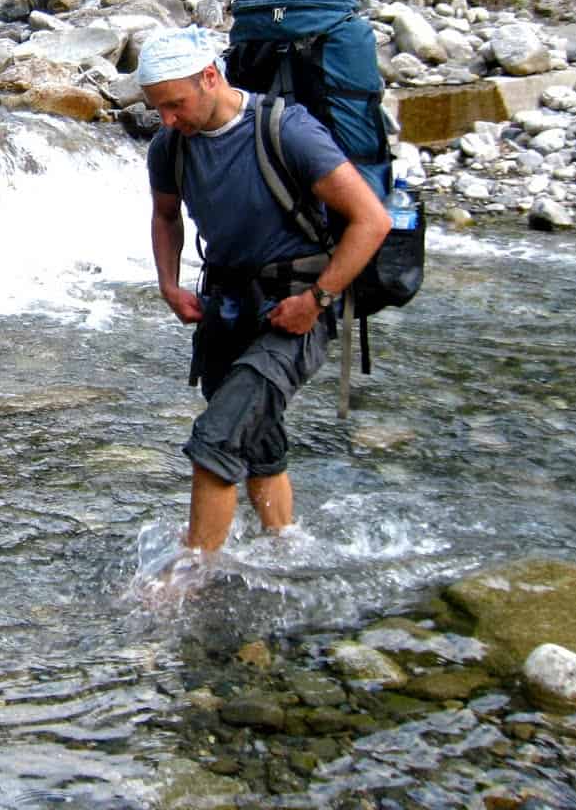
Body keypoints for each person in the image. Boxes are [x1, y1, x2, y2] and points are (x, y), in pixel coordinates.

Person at [140, 27, 390, 555]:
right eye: (156, 108)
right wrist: (168, 283)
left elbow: (372, 220)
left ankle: (189, 586)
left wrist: (317, 301)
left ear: (210, 77)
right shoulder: (169, 147)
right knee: (255, 437)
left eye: (174, 104)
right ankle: (285, 549)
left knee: (217, 440)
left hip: (296, 306)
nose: (166, 119)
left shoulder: (287, 131)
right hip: (225, 308)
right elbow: (166, 216)